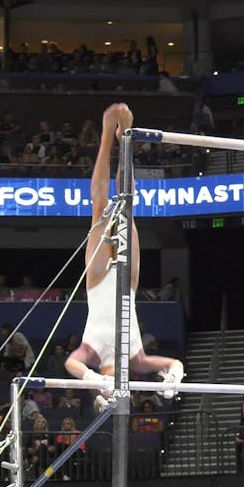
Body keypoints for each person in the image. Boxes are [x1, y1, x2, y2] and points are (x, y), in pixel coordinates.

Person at [64, 104, 184, 403]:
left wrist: (93, 379)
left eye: (110, 385)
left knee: (99, 208)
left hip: (98, 282)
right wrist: (172, 380)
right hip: (127, 284)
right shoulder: (137, 359)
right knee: (127, 210)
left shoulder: (89, 352)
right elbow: (175, 363)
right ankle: (125, 140)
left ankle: (107, 135)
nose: (118, 381)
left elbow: (71, 364)